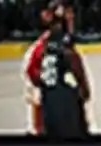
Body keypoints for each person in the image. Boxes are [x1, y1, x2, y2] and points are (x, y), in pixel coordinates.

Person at [23, 1, 92, 138]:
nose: (72, 20)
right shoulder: (64, 45)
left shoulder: (38, 47)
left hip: (46, 107)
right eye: (69, 16)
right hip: (63, 107)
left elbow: (31, 78)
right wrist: (84, 88)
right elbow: (76, 67)